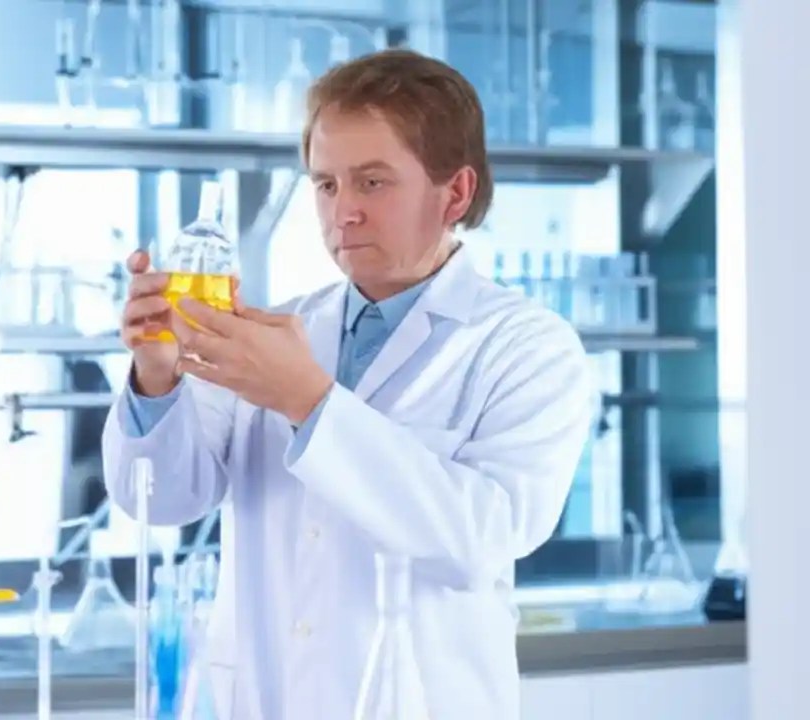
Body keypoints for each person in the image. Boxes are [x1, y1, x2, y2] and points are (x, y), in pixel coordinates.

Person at [102, 49, 592, 720]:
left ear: (455, 193)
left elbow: (483, 539)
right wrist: (156, 375)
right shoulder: (281, 330)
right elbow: (159, 498)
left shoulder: (527, 347)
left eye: (372, 182)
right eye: (326, 184)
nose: (343, 213)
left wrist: (308, 400)